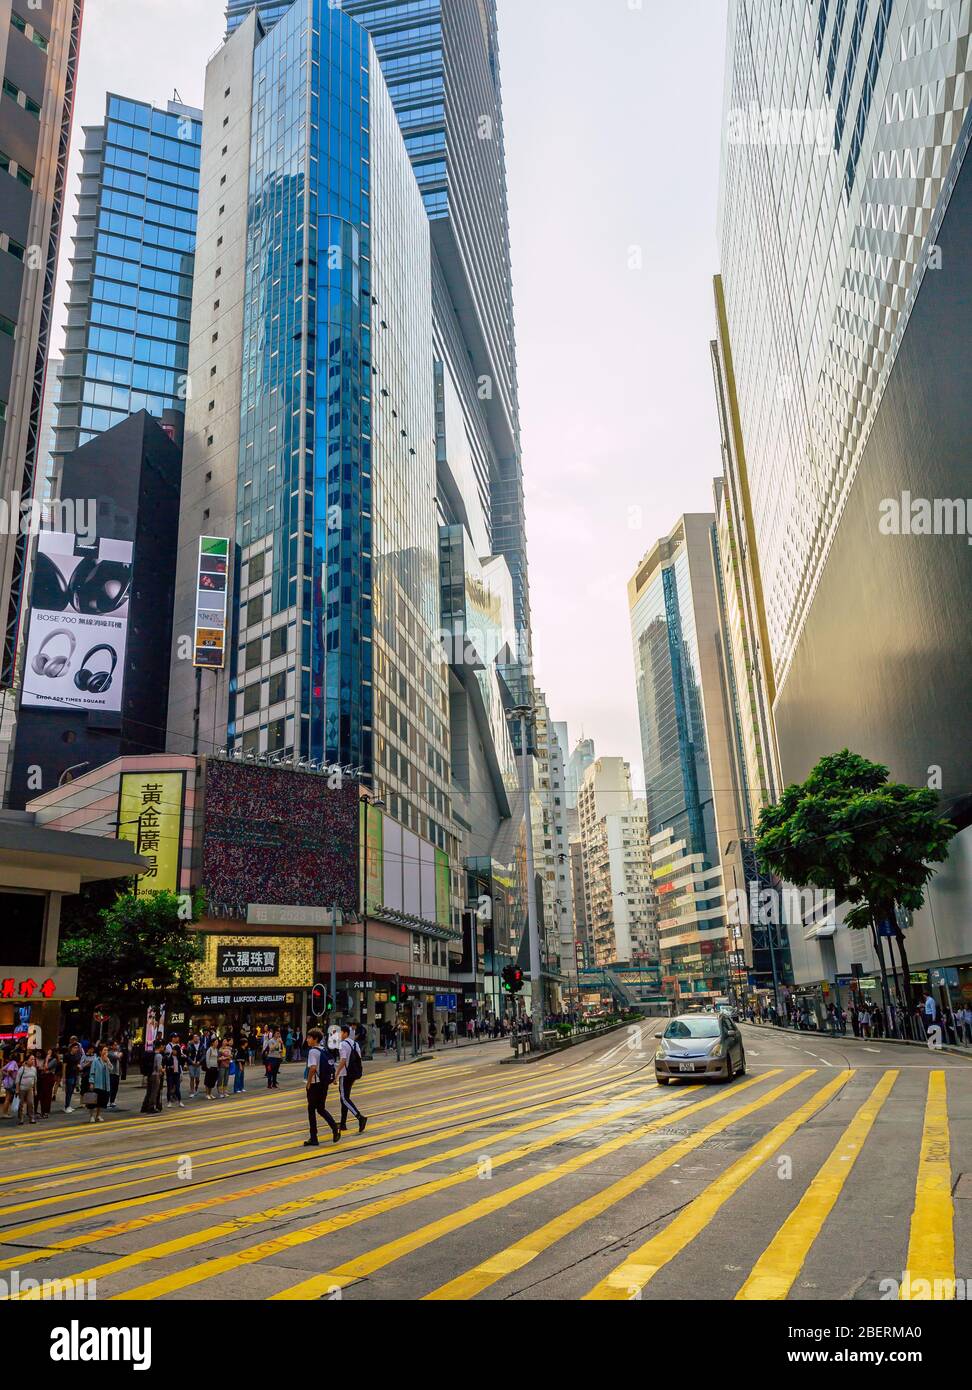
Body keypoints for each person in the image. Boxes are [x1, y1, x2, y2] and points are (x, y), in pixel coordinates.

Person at [303, 1026, 340, 1147]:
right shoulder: (323, 1049)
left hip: (315, 1085)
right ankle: (334, 1127)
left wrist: (308, 1083)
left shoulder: (313, 1051)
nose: (307, 1040)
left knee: (311, 1110)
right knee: (321, 1109)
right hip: (324, 1084)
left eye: (309, 1038)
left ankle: (314, 1137)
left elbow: (313, 1068)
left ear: (315, 1039)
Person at [336, 1022, 367, 1134]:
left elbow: (343, 1060)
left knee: (344, 1098)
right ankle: (343, 1123)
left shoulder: (343, 1044)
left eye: (340, 1032)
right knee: (344, 1098)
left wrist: (336, 1074)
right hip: (353, 1074)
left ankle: (360, 1117)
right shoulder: (355, 1044)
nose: (339, 1035)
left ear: (345, 1033)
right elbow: (359, 1059)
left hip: (345, 1074)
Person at [87, 1045, 112, 1123]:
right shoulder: (96, 1060)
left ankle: (98, 1115)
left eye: (107, 1050)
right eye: (104, 1050)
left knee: (101, 1102)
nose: (106, 1052)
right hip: (97, 1084)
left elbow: (111, 1069)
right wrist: (91, 1082)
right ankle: (91, 1116)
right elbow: (92, 1072)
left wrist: (107, 1061)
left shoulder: (107, 1060)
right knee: (93, 1101)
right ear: (100, 1052)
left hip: (104, 1085)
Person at [15, 1052, 38, 1125]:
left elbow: (35, 1080)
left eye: (34, 1059)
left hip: (30, 1089)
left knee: (31, 1103)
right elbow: (17, 1080)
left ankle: (32, 1118)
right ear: (27, 1060)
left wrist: (35, 1089)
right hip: (22, 1089)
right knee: (21, 1104)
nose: (33, 1061)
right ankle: (20, 1119)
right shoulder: (22, 1068)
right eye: (31, 1059)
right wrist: (17, 1089)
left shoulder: (34, 1069)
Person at [37, 1047, 61, 1118]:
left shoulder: (54, 1060)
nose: (48, 1052)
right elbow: (42, 1067)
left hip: (49, 1077)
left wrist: (47, 1060)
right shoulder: (46, 1059)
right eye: (48, 1051)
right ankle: (42, 1111)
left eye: (50, 1051)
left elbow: (46, 1067)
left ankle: (46, 1112)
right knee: (42, 1095)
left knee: (47, 1094)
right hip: (44, 1077)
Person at [140, 1044, 164, 1114]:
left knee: (149, 1091)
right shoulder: (159, 1056)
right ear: (161, 1047)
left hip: (149, 1074)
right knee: (154, 1092)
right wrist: (163, 1070)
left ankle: (144, 1107)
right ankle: (151, 1107)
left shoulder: (151, 1054)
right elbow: (158, 1067)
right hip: (155, 1075)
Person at [63, 1036, 83, 1113]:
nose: (76, 1049)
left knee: (71, 1091)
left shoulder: (77, 1055)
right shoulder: (67, 1055)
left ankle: (68, 1105)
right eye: (75, 1048)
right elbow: (64, 1066)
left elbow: (77, 1064)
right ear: (71, 1048)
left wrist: (79, 1066)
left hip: (75, 1074)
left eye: (77, 1048)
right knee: (68, 1091)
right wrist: (64, 1076)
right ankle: (66, 1106)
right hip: (69, 1075)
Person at [107, 1039, 123, 1109]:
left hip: (117, 1072)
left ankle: (112, 1101)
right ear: (111, 1046)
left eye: (116, 1045)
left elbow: (120, 1058)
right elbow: (117, 1057)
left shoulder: (117, 1052)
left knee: (115, 1088)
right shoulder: (109, 1053)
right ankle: (107, 1101)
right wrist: (119, 1055)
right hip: (111, 1073)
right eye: (115, 1045)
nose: (116, 1046)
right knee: (110, 1087)